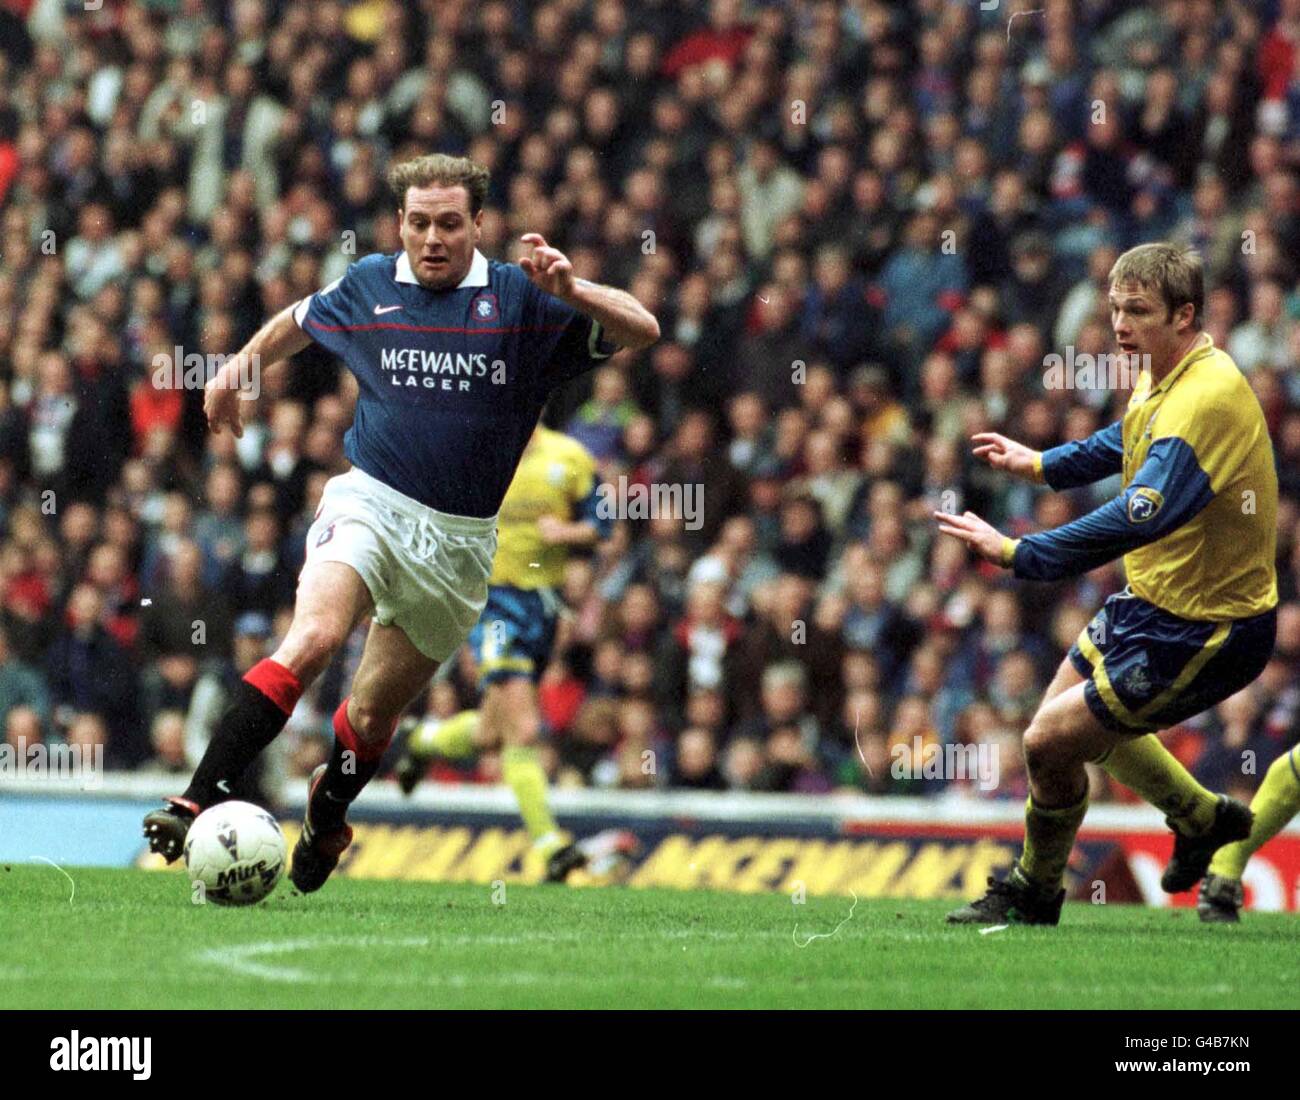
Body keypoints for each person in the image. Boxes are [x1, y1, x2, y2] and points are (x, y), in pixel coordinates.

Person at [142, 153, 659, 894]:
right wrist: (235, 371)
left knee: (371, 717)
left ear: (478, 225)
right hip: (370, 503)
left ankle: (330, 810)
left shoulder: (522, 300)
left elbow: (644, 328)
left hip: (456, 548)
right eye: (419, 222)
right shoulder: (371, 286)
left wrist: (572, 288)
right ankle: (197, 796)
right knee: (314, 637)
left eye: (450, 223)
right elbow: (295, 321)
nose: (433, 238)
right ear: (400, 224)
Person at [935, 243, 1277, 925]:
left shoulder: (1208, 397)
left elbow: (1136, 516)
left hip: (1209, 628)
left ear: (1185, 315)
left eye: (1138, 311)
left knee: (1049, 741)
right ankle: (1200, 817)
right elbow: (1130, 438)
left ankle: (1037, 890)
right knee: (1061, 734)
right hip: (1150, 603)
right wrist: (1042, 466)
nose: (1120, 324)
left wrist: (1019, 553)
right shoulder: (1165, 372)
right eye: (1116, 307)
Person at [394, 422, 613, 881]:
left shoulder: (571, 458)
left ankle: (421, 739)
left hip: (545, 607)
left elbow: (602, 526)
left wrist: (567, 534)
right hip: (492, 601)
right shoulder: (478, 447)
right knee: (525, 727)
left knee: (494, 732)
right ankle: (551, 845)